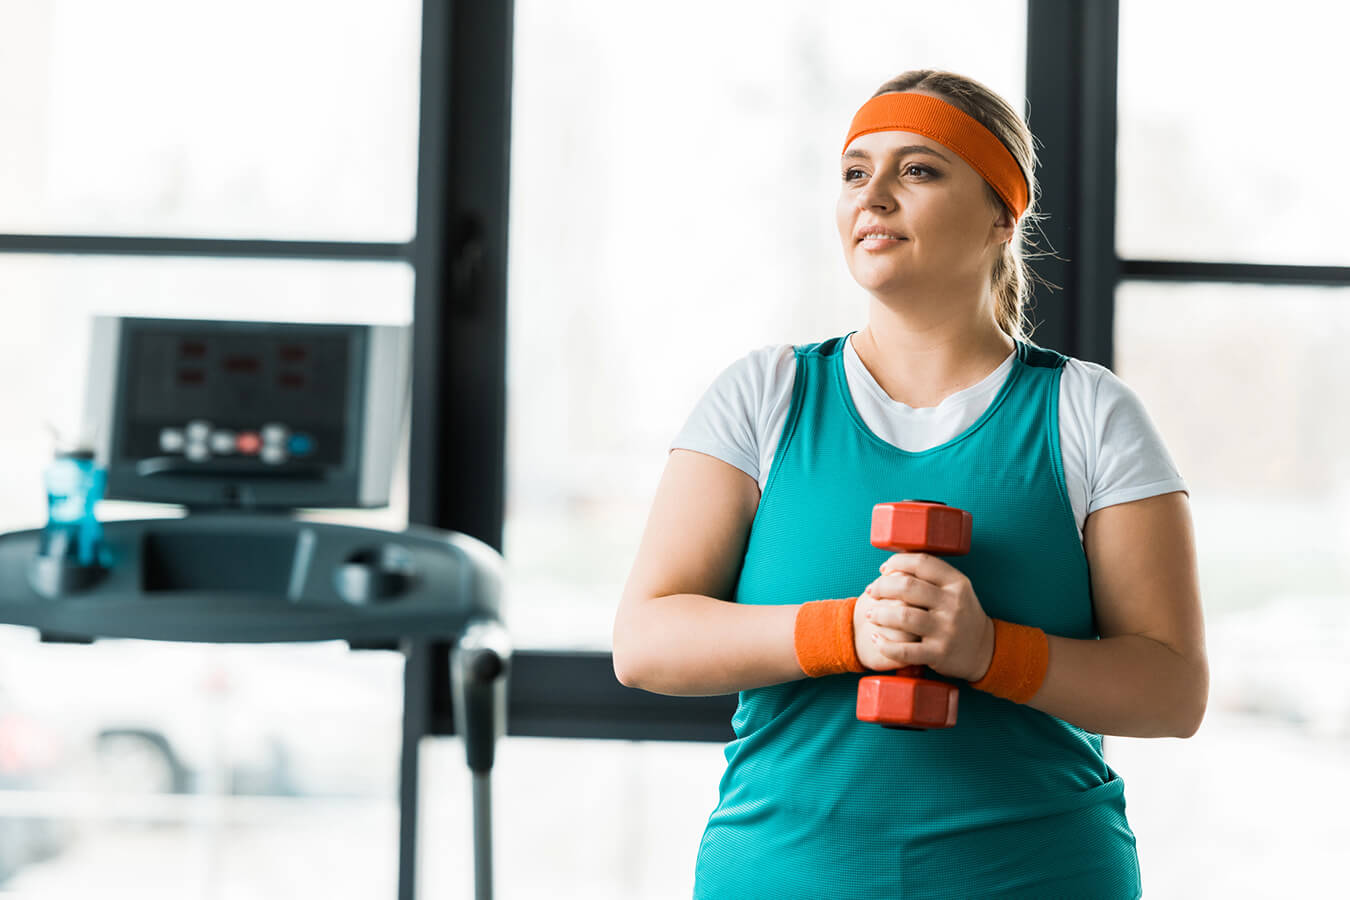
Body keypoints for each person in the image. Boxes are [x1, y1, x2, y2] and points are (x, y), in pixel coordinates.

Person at [612, 68, 1206, 899]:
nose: (874, 195)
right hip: (782, 878)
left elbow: (1173, 692)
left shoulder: (1090, 413)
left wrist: (991, 652)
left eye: (918, 169)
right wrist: (847, 632)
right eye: (856, 172)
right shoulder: (763, 395)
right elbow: (645, 643)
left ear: (1003, 216)